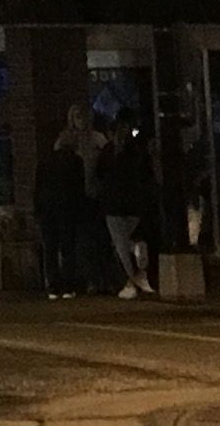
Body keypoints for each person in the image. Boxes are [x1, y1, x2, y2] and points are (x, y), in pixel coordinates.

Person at [36, 111, 99, 299]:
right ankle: (68, 286)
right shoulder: (75, 161)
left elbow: (38, 188)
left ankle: (53, 286)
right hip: (67, 209)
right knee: (67, 248)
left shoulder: (45, 161)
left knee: (50, 248)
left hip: (48, 210)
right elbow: (79, 187)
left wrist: (38, 210)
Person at [102, 122, 159, 297]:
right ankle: (137, 275)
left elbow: (100, 176)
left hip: (114, 206)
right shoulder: (137, 155)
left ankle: (132, 281)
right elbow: (147, 177)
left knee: (121, 246)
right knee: (130, 240)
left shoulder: (109, 154)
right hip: (134, 204)